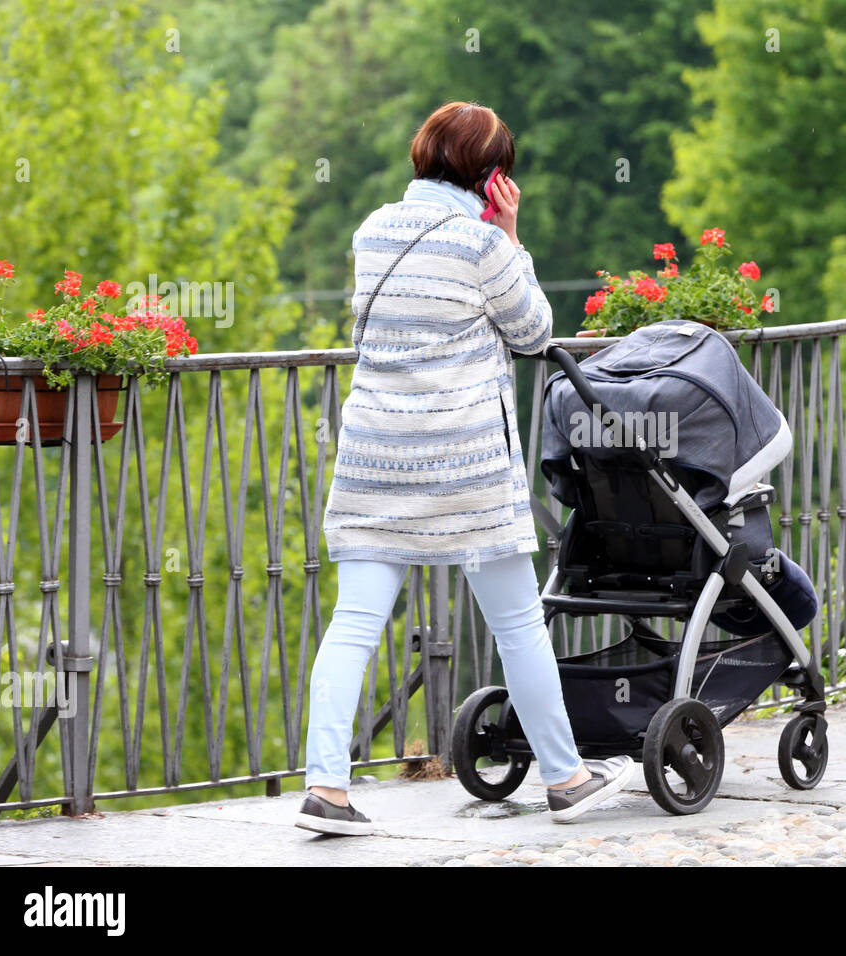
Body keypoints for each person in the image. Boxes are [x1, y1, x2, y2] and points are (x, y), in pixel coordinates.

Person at [295, 101, 632, 836]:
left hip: (375, 459)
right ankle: (565, 777)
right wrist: (510, 237)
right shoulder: (482, 244)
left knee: (351, 625)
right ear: (494, 178)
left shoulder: (371, 229)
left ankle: (326, 787)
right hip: (464, 469)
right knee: (517, 624)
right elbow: (535, 332)